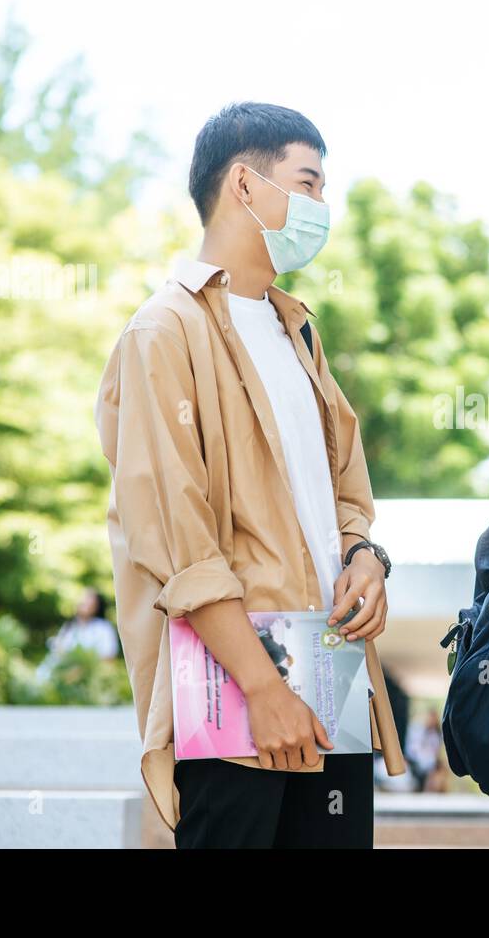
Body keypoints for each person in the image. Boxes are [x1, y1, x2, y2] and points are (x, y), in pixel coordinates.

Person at [94, 102, 405, 849]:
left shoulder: (296, 327)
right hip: (235, 697)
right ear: (243, 184)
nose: (322, 206)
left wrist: (364, 555)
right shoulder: (163, 332)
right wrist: (264, 688)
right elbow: (178, 543)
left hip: (330, 675)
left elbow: (343, 496)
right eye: (310, 183)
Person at [47, 587, 119, 660]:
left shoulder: (104, 628)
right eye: (85, 598)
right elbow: (58, 652)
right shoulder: (69, 626)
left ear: (97, 606)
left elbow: (109, 656)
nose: (86, 601)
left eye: (90, 599)